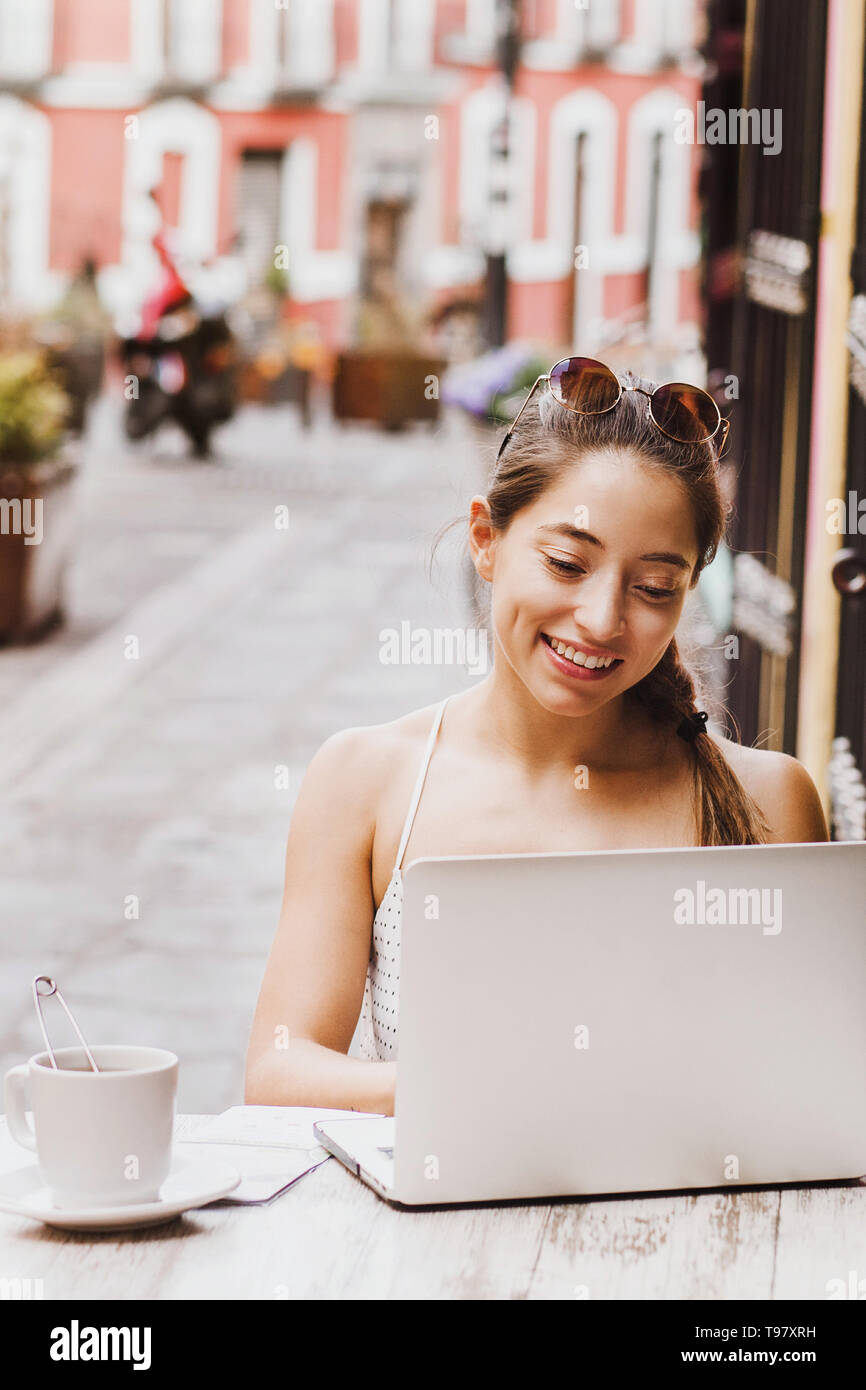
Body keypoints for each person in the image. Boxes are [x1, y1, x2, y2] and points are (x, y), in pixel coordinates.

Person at [244, 360, 828, 1116]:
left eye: (654, 587)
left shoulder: (769, 802)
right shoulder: (367, 781)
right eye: (566, 563)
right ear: (487, 540)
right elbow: (281, 1072)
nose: (602, 618)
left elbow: (816, 1082)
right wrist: (501, 1091)